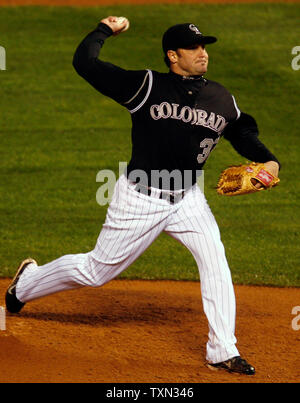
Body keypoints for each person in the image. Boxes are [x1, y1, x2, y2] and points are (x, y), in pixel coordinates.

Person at [6, 16, 280, 375]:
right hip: (140, 199)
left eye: (204, 47)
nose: (202, 53)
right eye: (193, 48)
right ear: (172, 55)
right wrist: (103, 30)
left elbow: (241, 129)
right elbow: (86, 64)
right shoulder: (146, 86)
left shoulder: (220, 96)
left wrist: (268, 160)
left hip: (188, 200)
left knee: (215, 260)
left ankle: (222, 349)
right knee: (95, 272)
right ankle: (25, 284)